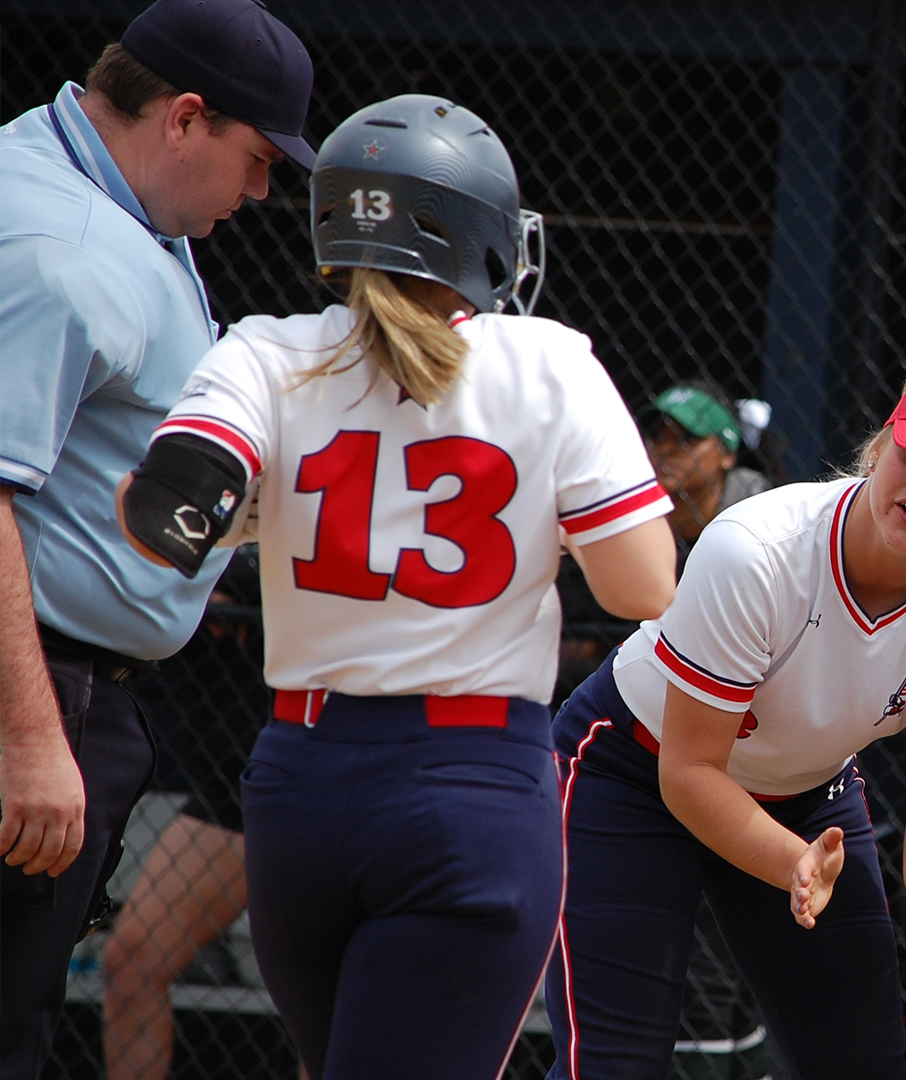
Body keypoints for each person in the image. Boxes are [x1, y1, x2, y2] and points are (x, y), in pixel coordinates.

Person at [117, 94, 678, 1078]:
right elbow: (642, 587)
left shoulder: (268, 348)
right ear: (477, 234)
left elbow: (167, 508)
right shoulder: (546, 361)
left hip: (302, 785)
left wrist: (260, 502)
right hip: (472, 786)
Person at [544, 366, 906, 1080]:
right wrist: (791, 863)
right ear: (878, 448)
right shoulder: (756, 549)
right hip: (633, 772)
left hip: (806, 796)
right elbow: (690, 772)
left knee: (860, 1066)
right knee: (613, 1066)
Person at [0, 2, 314, 1074]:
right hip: (37, 686)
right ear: (183, 118)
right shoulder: (63, 244)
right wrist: (30, 738)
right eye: (258, 157)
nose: (262, 191)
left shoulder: (96, 193)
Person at [100, 549, 268, 1080]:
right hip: (229, 794)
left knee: (320, 993)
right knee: (132, 961)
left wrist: (231, 589)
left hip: (306, 783)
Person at [642, 383, 773, 571]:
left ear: (727, 453)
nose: (666, 449)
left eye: (688, 438)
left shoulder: (763, 528)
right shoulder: (626, 518)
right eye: (658, 436)